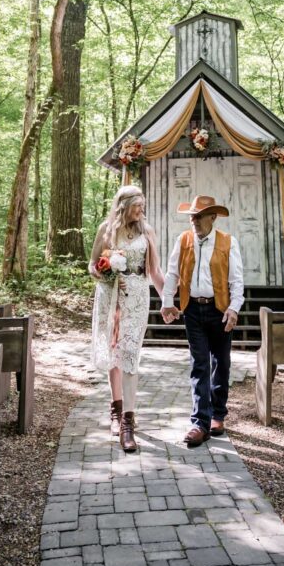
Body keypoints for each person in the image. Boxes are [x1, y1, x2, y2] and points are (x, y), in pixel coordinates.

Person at [161, 194, 244, 447]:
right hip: (193, 310)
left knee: (222, 363)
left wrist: (234, 308)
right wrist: (166, 302)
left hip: (219, 310)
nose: (194, 221)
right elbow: (173, 272)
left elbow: (236, 280)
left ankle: (218, 414)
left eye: (198, 216)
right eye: (191, 216)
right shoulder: (183, 240)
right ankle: (200, 422)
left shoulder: (228, 242)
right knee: (199, 365)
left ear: (212, 217)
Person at [89, 185, 164, 453]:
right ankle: (116, 409)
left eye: (142, 205)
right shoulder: (106, 229)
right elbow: (93, 267)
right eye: (137, 206)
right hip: (111, 298)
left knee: (130, 354)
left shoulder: (147, 230)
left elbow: (154, 271)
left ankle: (128, 422)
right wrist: (109, 274)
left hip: (138, 298)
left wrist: (168, 301)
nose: (141, 210)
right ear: (124, 205)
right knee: (115, 353)